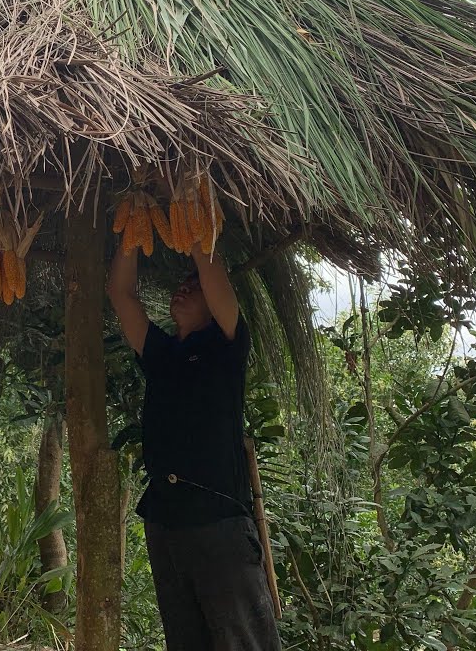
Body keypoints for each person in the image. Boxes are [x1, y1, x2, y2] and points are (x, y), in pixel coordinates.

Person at [107, 238, 281, 651]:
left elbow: (209, 263)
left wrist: (191, 208)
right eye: (180, 285)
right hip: (165, 521)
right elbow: (121, 295)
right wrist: (132, 230)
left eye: (195, 286)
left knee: (244, 641)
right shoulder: (162, 354)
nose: (183, 289)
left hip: (217, 519)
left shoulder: (226, 344)